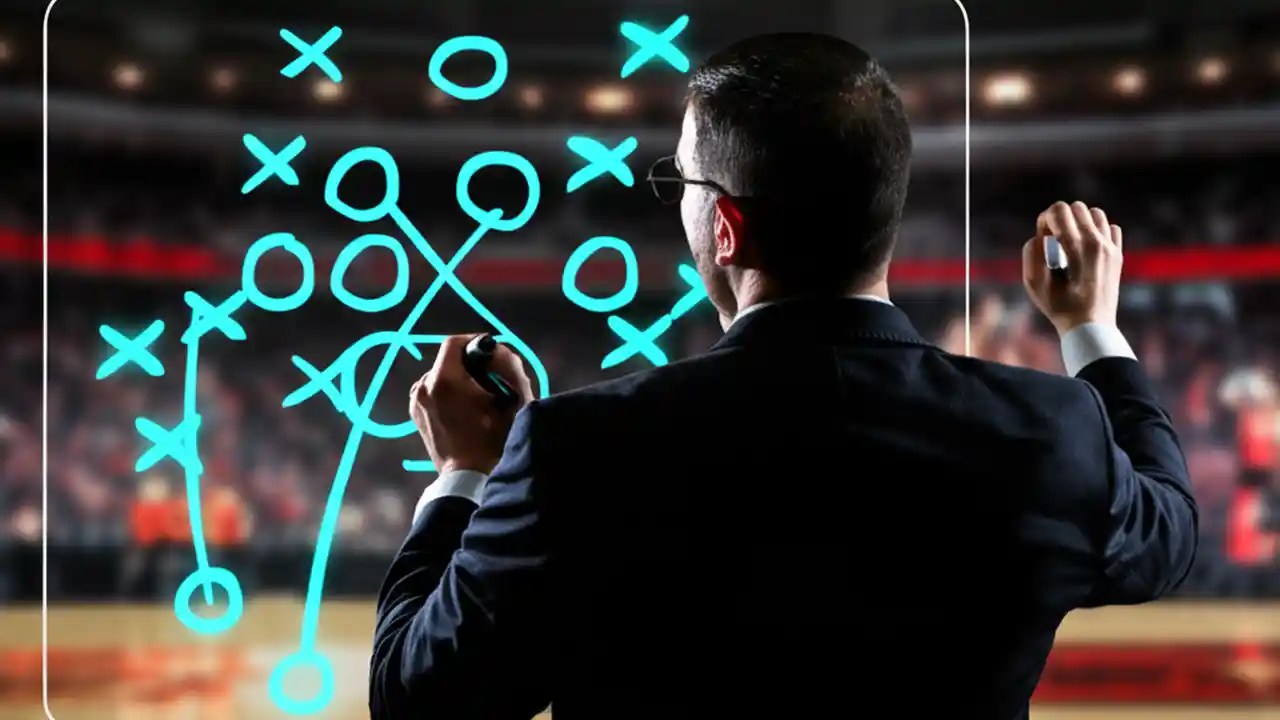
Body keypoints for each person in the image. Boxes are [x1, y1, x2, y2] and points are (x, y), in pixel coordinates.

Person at [369, 33, 1198, 719]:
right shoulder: (1050, 433)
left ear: (725, 227)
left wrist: (463, 475)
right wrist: (1090, 326)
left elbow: (416, 699)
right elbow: (1171, 533)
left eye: (683, 182)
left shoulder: (574, 452)